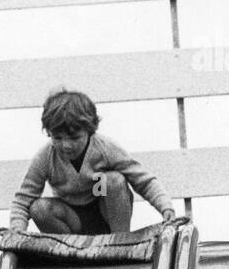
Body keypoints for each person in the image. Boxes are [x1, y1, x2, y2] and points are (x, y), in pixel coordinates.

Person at [9, 88, 176, 236]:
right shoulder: (46, 157)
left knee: (112, 180)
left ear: (90, 131)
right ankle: (69, 250)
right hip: (72, 218)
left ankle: (120, 241)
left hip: (104, 211)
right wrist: (16, 230)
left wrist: (165, 208)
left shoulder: (104, 149)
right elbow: (24, 198)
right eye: (57, 138)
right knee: (39, 208)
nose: (66, 145)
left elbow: (143, 180)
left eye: (74, 138)